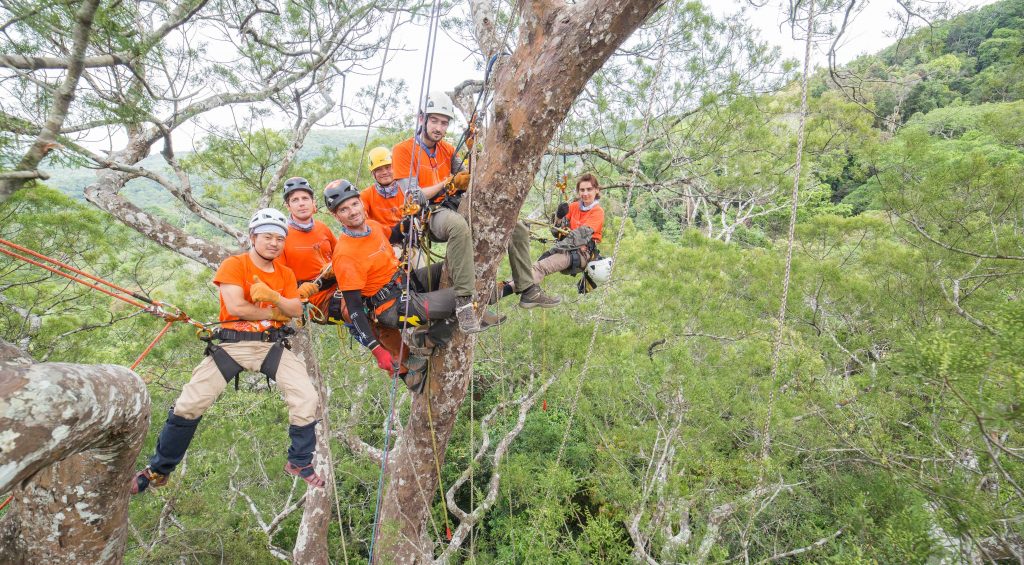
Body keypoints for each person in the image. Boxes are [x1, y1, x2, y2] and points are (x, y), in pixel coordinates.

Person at [131, 208, 325, 494]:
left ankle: (299, 461)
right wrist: (277, 307)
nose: (274, 243)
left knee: (307, 398)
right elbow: (235, 307)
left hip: (271, 345)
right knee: (189, 404)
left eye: (279, 239)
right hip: (232, 345)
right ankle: (158, 471)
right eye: (267, 237)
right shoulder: (235, 265)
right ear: (253, 237)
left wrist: (275, 300)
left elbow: (296, 310)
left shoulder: (285, 272)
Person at [391, 91, 556, 321]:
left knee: (512, 224)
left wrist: (474, 152)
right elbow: (413, 197)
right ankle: (464, 301)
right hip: (430, 215)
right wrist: (447, 182)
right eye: (435, 121)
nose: (439, 128)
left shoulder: (447, 149)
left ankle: (527, 288)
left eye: (444, 123)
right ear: (422, 119)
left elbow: (468, 176)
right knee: (459, 227)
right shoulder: (403, 151)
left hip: (454, 204)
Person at [324, 180, 499, 391]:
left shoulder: (372, 226)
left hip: (406, 283)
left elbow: (396, 234)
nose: (352, 212)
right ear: (336, 216)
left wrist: (413, 217)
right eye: (343, 209)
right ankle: (428, 337)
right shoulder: (345, 255)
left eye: (353, 204)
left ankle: (440, 326)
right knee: (469, 295)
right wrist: (377, 350)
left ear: (361, 203)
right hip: (391, 307)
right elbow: (354, 310)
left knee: (462, 267)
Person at [529, 173, 605, 298]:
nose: (585, 193)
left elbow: (580, 236)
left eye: (589, 189)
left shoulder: (597, 211)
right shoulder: (574, 207)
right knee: (537, 265)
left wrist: (556, 249)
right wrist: (558, 217)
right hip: (566, 248)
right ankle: (515, 288)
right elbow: (556, 232)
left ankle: (525, 292)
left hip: (581, 253)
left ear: (596, 190)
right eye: (582, 190)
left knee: (541, 267)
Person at [279, 176, 338, 321]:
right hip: (313, 298)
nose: (301, 204)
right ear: (288, 206)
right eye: (295, 200)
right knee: (351, 308)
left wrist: (335, 267)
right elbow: (278, 278)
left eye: (305, 198)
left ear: (313, 202)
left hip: (338, 285)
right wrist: (295, 293)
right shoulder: (282, 236)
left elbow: (340, 255)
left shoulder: (322, 228)